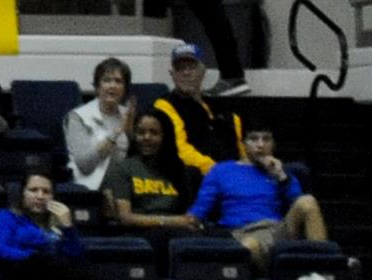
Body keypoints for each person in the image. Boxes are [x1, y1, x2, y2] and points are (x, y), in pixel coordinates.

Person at [186, 125, 329, 268]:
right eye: (254, 139)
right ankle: (272, 277)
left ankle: (325, 271)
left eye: (266, 139)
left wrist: (281, 176)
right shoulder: (221, 170)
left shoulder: (280, 171)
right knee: (249, 245)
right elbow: (199, 212)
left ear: (273, 144)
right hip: (239, 232)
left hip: (276, 229)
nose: (260, 145)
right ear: (243, 144)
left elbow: (297, 202)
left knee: (308, 201)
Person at [0, 171, 92, 280]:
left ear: (53, 197)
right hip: (14, 279)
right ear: (22, 194)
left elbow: (75, 257)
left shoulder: (58, 223)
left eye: (46, 192)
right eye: (33, 190)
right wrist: (32, 257)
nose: (40, 196)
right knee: (42, 262)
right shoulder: (7, 217)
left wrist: (68, 227)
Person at [153, 43, 245, 178]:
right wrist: (218, 172)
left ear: (203, 71)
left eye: (191, 67)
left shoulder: (219, 107)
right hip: (198, 178)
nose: (186, 73)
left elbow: (241, 148)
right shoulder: (164, 105)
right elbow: (181, 150)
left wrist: (245, 170)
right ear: (172, 74)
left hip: (234, 176)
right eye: (180, 68)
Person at [103, 111, 200, 232]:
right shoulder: (123, 169)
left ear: (165, 137)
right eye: (141, 132)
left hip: (177, 234)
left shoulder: (183, 171)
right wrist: (171, 221)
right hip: (138, 234)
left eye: (154, 133)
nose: (146, 137)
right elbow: (125, 217)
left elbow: (191, 217)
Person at [65, 59, 136, 192]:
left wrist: (131, 133)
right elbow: (85, 165)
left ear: (125, 88)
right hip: (90, 188)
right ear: (97, 87)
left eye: (118, 81)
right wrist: (116, 133)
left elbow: (135, 159)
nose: (112, 86)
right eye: (106, 80)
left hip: (123, 186)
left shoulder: (128, 114)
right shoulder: (78, 116)